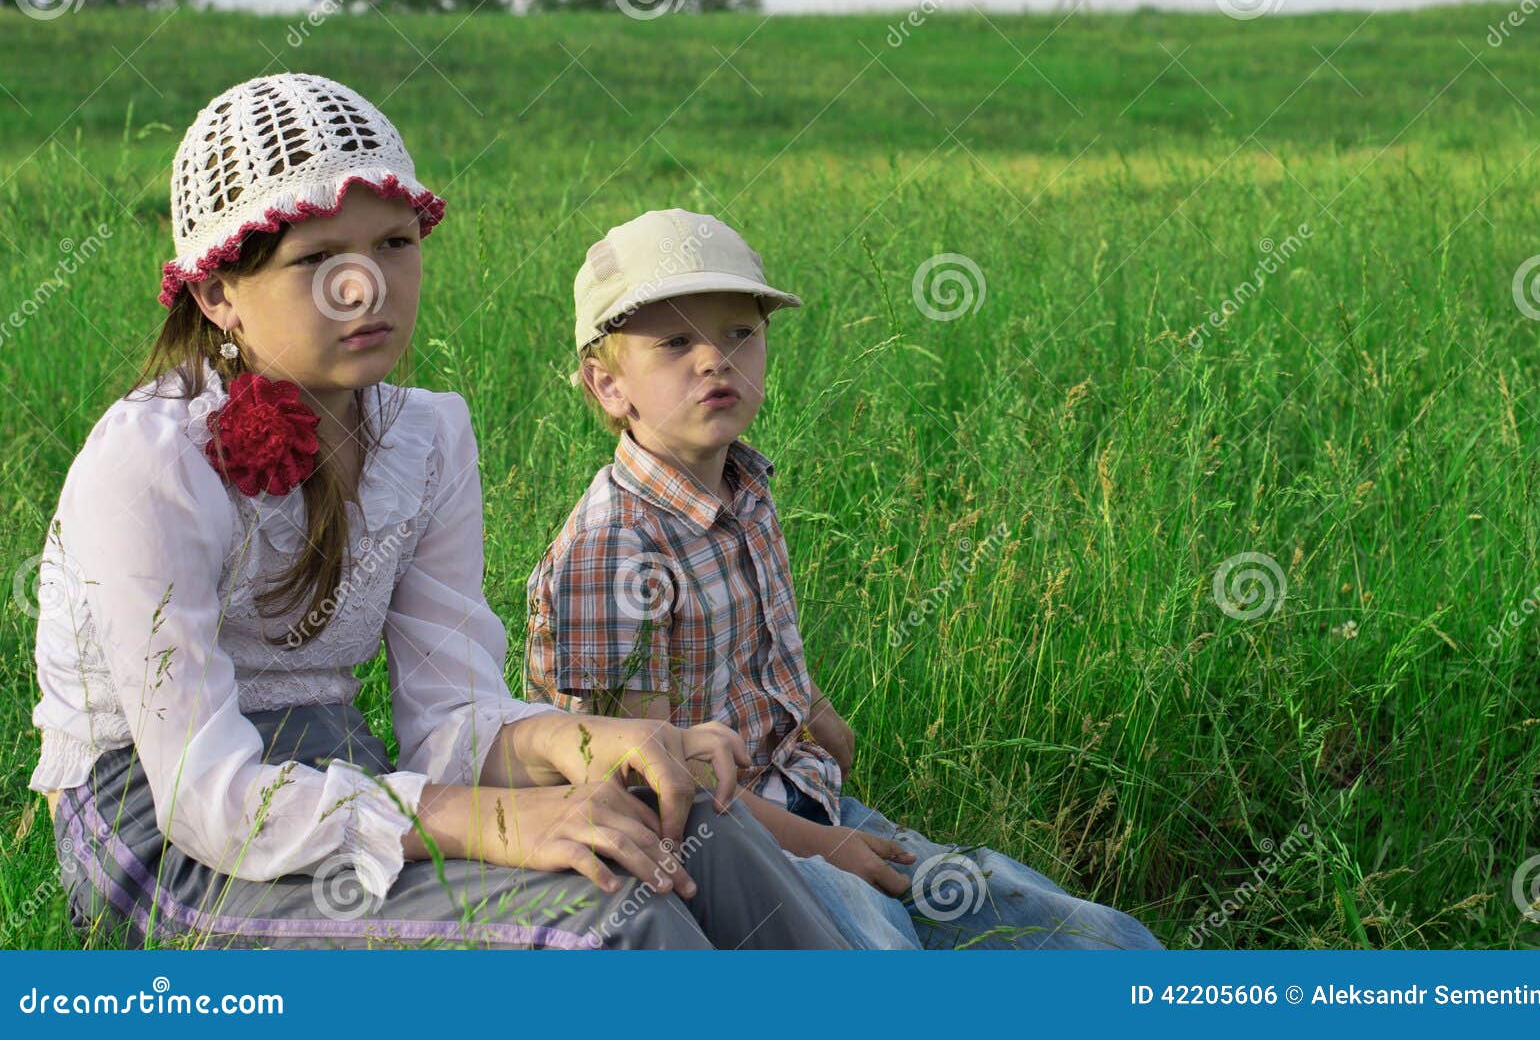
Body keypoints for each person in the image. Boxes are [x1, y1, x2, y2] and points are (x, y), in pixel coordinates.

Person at [27, 76, 846, 950]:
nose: (364, 289)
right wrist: (505, 826)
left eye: (392, 244)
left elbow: (452, 720)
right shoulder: (151, 464)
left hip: (348, 779)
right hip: (177, 839)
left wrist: (605, 745)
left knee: (684, 824)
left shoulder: (425, 436)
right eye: (316, 261)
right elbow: (208, 798)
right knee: (614, 915)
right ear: (216, 292)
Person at [524, 208, 1165, 949]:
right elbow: (654, 785)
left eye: (740, 333)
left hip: (808, 801)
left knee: (1070, 930)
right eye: (674, 343)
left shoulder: (744, 488)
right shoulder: (613, 551)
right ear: (608, 385)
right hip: (729, 852)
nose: (715, 360)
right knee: (880, 951)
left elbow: (752, 654)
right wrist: (824, 848)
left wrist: (816, 713)